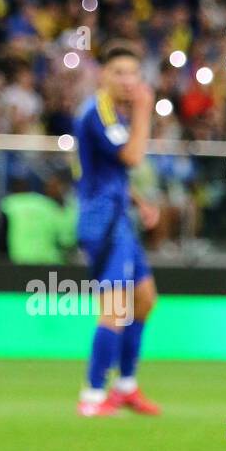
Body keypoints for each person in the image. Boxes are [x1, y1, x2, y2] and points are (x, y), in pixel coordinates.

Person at [74, 42, 160, 418]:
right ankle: (92, 396)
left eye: (134, 74)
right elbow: (132, 157)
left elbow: (112, 171)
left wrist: (138, 200)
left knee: (144, 298)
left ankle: (125, 387)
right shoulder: (99, 111)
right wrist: (145, 110)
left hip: (119, 216)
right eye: (119, 73)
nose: (128, 81)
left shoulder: (112, 114)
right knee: (114, 307)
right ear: (103, 75)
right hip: (103, 222)